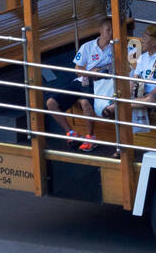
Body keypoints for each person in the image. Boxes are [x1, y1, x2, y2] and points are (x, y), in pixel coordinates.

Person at [46, 16, 115, 151]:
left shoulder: (115, 48)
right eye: (108, 30)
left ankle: (91, 137)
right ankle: (71, 133)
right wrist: (91, 72)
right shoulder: (87, 46)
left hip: (102, 84)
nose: (111, 33)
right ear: (100, 30)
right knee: (51, 103)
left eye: (113, 30)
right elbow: (78, 70)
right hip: (82, 81)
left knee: (85, 103)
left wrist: (98, 72)